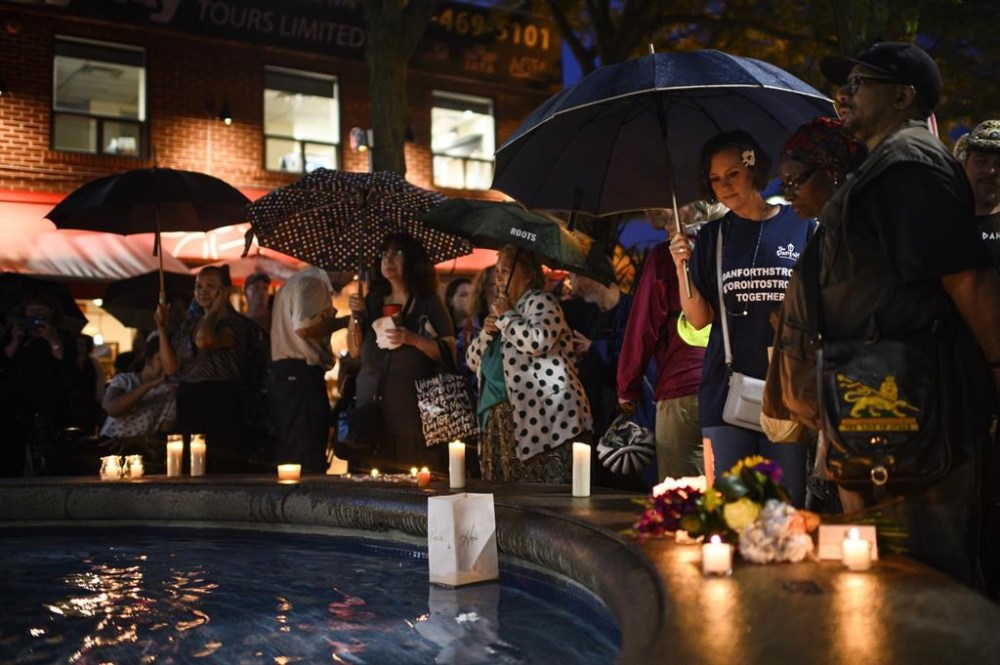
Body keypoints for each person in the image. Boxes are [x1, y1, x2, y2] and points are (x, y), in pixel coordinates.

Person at [805, 41, 1000, 586]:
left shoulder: (911, 162)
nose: (845, 93)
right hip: (880, 404)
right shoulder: (887, 164)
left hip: (916, 410)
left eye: (861, 82)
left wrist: (998, 370)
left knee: (925, 574)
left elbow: (967, 279)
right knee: (888, 571)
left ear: (903, 97)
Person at [669, 130, 814, 507]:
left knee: (785, 506)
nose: (723, 186)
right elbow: (699, 320)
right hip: (725, 388)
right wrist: (680, 265)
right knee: (731, 509)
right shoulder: (713, 237)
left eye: (732, 174)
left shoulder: (802, 227)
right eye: (715, 179)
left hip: (787, 390)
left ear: (753, 170)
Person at [466, 245, 593, 483]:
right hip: (503, 421)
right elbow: (472, 360)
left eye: (505, 270)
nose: (499, 278)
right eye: (497, 271)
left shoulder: (541, 301)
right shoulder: (504, 311)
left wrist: (507, 318)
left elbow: (539, 340)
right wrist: (486, 331)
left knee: (543, 496)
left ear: (527, 274)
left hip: (546, 423)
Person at [617, 204, 717, 482]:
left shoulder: (663, 258)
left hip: (681, 385)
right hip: (728, 386)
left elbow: (643, 325)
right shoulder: (725, 247)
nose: (647, 207)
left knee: (680, 494)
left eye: (658, 201)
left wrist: (628, 386)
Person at [347, 232, 455, 472]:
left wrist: (412, 338)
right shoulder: (373, 301)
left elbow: (449, 352)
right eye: (384, 253)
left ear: (413, 260)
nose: (388, 259)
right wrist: (356, 315)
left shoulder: (427, 302)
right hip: (372, 415)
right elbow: (355, 350)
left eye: (397, 253)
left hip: (414, 416)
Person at [154, 265, 252, 473]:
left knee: (220, 465)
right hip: (190, 397)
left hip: (220, 398)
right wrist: (161, 328)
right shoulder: (189, 322)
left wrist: (216, 308)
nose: (202, 292)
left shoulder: (233, 322)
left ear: (224, 291)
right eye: (198, 286)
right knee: (190, 465)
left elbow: (204, 341)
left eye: (210, 286)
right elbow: (171, 367)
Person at [270, 265, 348, 474]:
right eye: (352, 272)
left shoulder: (296, 280)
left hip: (289, 375)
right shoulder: (313, 283)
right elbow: (304, 328)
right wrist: (346, 321)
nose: (352, 278)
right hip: (300, 375)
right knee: (306, 452)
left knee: (294, 451)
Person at [0, 294, 75, 476]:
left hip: (44, 407)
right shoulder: (13, 336)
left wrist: (52, 340)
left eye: (40, 310)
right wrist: (15, 342)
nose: (35, 314)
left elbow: (67, 368)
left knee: (44, 460)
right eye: (31, 310)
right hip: (11, 408)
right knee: (10, 461)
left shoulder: (61, 337)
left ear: (50, 312)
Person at [98, 335, 176, 471]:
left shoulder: (167, 392)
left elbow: (165, 435)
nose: (165, 365)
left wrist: (137, 440)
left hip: (140, 456)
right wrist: (148, 386)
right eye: (160, 360)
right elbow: (112, 409)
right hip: (109, 450)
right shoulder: (124, 381)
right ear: (148, 359)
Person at [777, 116, 868, 221]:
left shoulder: (871, 225)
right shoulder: (832, 230)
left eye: (794, 183)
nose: (788, 197)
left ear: (833, 173)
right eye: (784, 187)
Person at [953, 120, 1000, 263]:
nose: (991, 171)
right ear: (964, 164)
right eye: (981, 161)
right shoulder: (943, 220)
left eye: (999, 164)